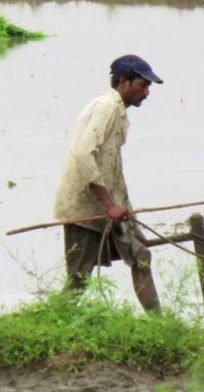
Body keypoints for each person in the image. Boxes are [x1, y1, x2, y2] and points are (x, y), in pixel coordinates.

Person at [54, 54, 164, 312]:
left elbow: (114, 174)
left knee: (141, 255)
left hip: (106, 210)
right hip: (84, 210)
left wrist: (132, 224)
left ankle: (161, 324)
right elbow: (83, 154)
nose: (146, 93)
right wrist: (109, 204)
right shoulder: (106, 108)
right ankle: (50, 320)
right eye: (142, 85)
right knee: (79, 279)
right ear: (124, 82)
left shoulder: (119, 113)